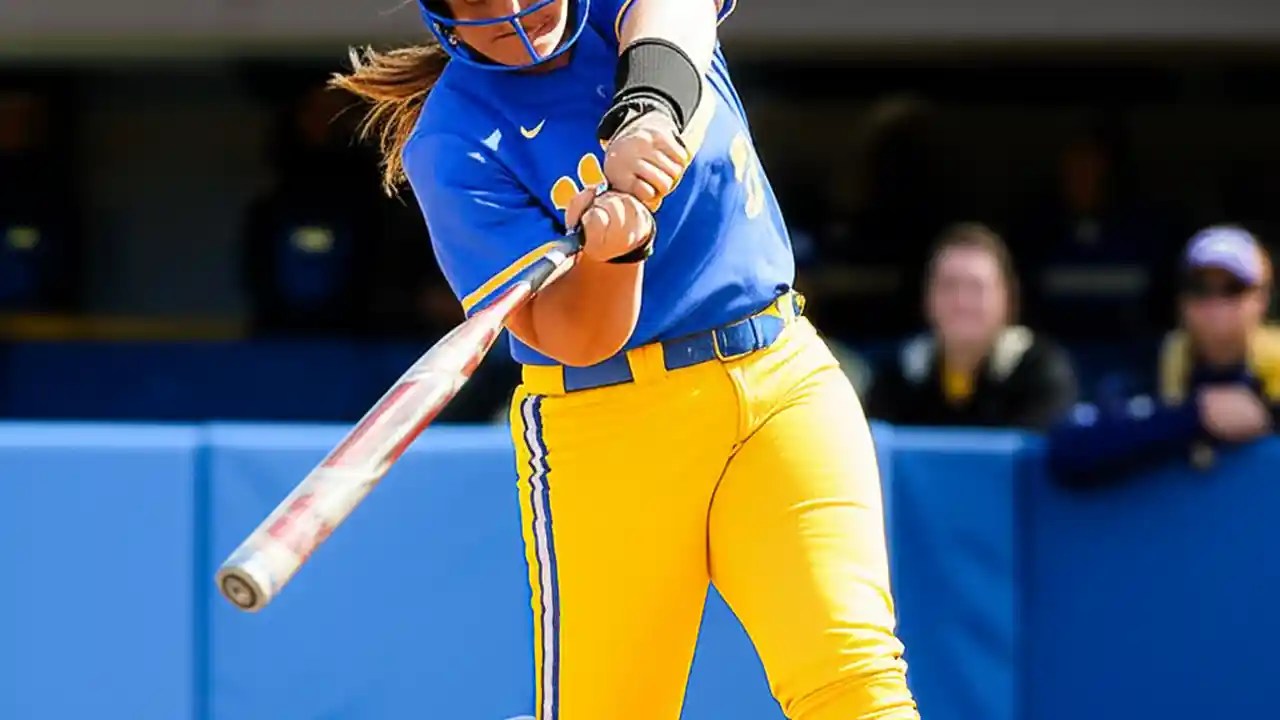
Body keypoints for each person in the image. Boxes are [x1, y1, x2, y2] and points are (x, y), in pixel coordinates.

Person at [332, 2, 918, 719]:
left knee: (852, 679)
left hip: (778, 373)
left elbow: (679, 14)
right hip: (608, 422)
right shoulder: (452, 139)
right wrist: (616, 255)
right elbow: (572, 334)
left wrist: (644, 111)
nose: (515, 13)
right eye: (483, 3)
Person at [1047, 225, 1280, 486]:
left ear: (1262, 298)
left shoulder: (1274, 365)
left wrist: (1269, 418)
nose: (1215, 304)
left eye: (1233, 288)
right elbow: (1068, 448)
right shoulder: (1155, 363)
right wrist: (1193, 417)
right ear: (1181, 300)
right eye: (1200, 288)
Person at [865, 223, 1078, 430]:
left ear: (1007, 297)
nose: (962, 302)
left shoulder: (1040, 373)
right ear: (927, 297)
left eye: (976, 287)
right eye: (949, 285)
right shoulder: (896, 376)